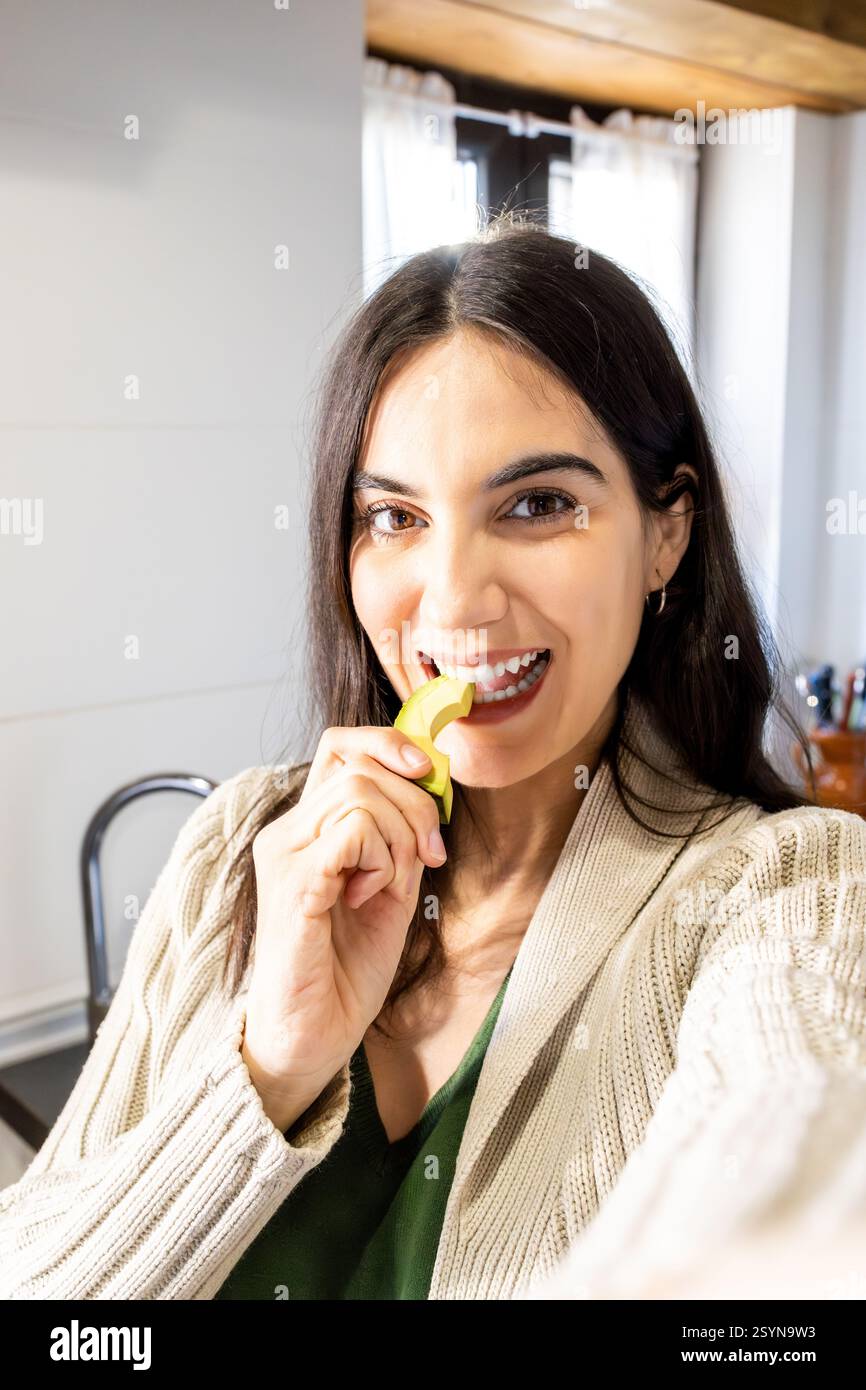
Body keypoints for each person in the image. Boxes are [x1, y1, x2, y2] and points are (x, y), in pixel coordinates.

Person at [3, 215, 865, 1301]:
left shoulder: (788, 890)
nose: (452, 600)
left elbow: (795, 1185)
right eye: (394, 516)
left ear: (666, 533)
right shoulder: (233, 854)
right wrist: (267, 1065)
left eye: (538, 504)